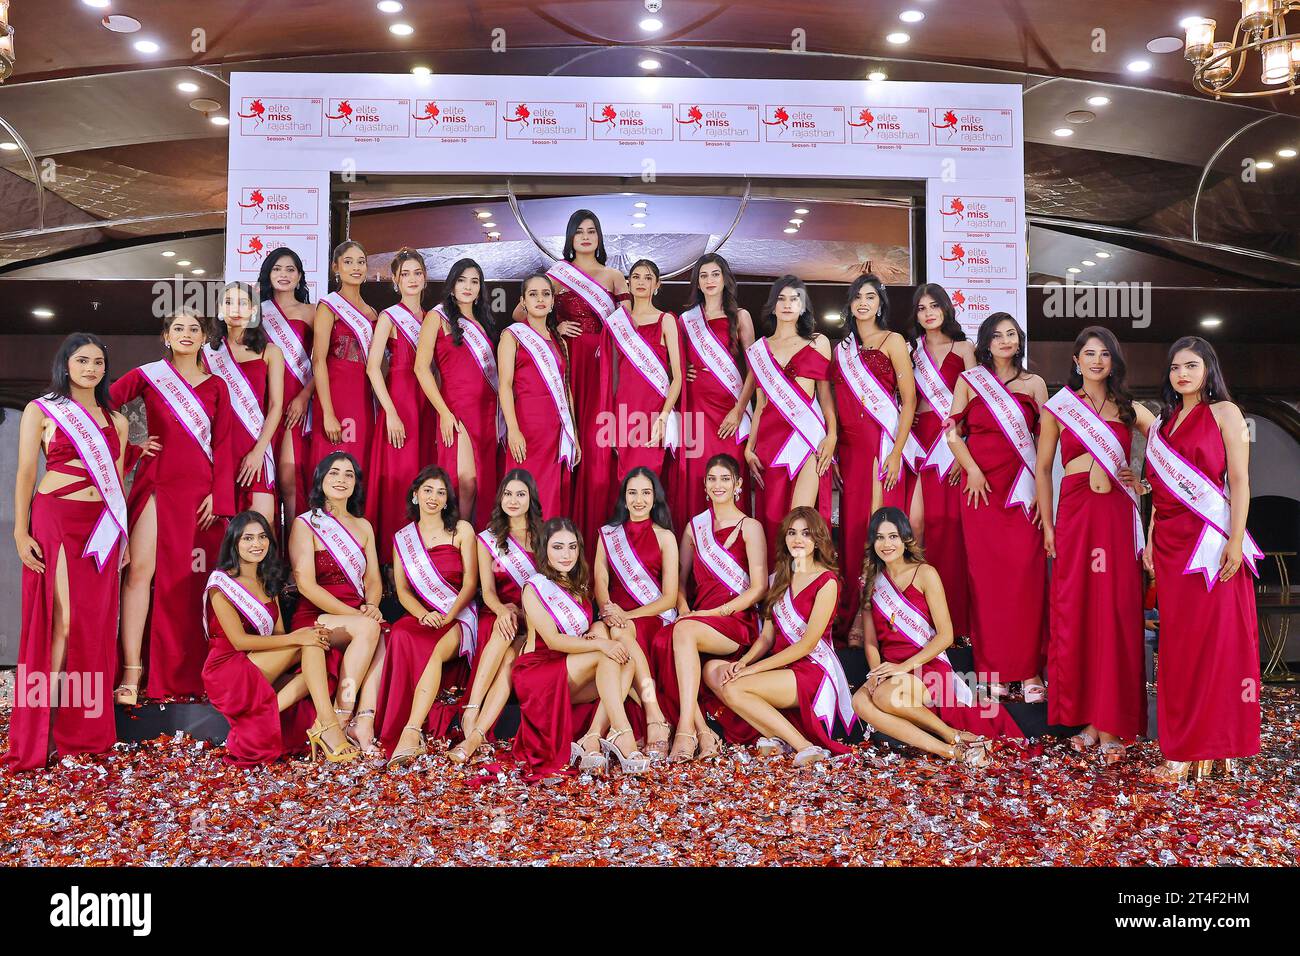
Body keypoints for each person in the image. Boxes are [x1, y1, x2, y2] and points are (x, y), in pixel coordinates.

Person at [7, 334, 130, 770]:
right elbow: (25, 473)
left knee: (94, 626)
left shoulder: (116, 420)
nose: (91, 368)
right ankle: (45, 726)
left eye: (99, 362)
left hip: (101, 529)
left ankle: (82, 732)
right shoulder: (40, 410)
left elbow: (116, 482)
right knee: (61, 621)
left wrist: (125, 538)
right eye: (82, 360)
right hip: (56, 521)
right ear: (65, 364)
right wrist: (21, 532)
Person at [1144, 337, 1262, 783]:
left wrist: (1235, 539)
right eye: (1175, 367)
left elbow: (1241, 481)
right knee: (1179, 648)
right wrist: (1152, 538)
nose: (1182, 374)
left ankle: (1215, 742)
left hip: (1211, 547)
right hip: (1173, 548)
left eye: (1191, 365)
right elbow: (1159, 492)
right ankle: (1181, 744)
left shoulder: (1225, 413)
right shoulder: (1163, 423)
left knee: (1218, 646)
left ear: (1208, 369)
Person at [1036, 326, 1154, 764]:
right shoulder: (1059, 408)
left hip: (1116, 520)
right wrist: (1047, 526)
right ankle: (1088, 718)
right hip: (1075, 517)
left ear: (1113, 360)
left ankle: (1110, 724)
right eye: (1089, 353)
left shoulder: (1128, 409)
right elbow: (1044, 467)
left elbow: (1167, 444)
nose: (1097, 360)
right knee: (1079, 613)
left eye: (1105, 353)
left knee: (1115, 616)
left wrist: (1142, 482)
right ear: (1076, 360)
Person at [111, 311, 236, 702]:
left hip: (201, 496)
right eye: (178, 328)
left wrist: (220, 494)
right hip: (158, 484)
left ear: (203, 339)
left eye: (194, 329)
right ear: (166, 336)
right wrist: (132, 447)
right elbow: (101, 406)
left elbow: (225, 444)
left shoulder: (216, 386)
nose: (186, 334)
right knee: (141, 572)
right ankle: (132, 672)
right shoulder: (149, 376)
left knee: (191, 582)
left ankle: (195, 671)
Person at [851, 507, 1023, 769]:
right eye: (880, 537)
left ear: (905, 538)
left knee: (885, 698)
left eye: (893, 536)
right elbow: (871, 641)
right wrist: (876, 672)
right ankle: (949, 751)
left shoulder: (925, 574)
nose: (887, 544)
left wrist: (902, 668)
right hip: (892, 670)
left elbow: (945, 636)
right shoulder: (871, 582)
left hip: (926, 666)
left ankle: (949, 734)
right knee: (859, 701)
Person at [945, 312, 1048, 700]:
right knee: (986, 582)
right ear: (985, 342)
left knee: (1026, 579)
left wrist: (1043, 487)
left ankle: (1030, 672)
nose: (1006, 340)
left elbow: (1045, 443)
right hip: (980, 492)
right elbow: (951, 432)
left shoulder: (1035, 383)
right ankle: (993, 673)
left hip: (1023, 492)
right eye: (998, 335)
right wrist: (970, 468)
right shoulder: (969, 381)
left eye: (1012, 334)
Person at [705, 507, 855, 767]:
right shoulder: (779, 578)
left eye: (806, 534)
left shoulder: (827, 581)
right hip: (782, 664)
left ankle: (804, 747)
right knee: (714, 670)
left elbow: (807, 644)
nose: (798, 539)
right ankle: (777, 736)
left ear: (818, 538)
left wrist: (752, 671)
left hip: (812, 668)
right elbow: (766, 638)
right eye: (792, 533)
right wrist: (744, 663)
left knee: (734, 686)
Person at [202, 512, 354, 765]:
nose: (256, 544)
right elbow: (240, 642)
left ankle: (266, 718)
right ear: (234, 543)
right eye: (247, 538)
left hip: (260, 662)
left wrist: (305, 636)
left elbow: (280, 635)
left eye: (262, 537)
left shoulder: (266, 579)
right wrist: (300, 637)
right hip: (228, 670)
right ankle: (329, 725)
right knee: (308, 641)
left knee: (318, 651)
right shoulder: (221, 584)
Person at [511, 517, 649, 781]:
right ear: (545, 549)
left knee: (626, 661)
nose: (566, 554)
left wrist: (603, 630)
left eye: (572, 547)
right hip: (538, 671)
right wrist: (601, 643)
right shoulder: (534, 587)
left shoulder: (578, 584)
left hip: (568, 666)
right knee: (606, 655)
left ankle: (593, 735)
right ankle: (623, 733)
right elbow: (552, 641)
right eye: (558, 547)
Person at [523, 209, 630, 547]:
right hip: (567, 367)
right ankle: (560, 535)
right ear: (570, 237)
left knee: (598, 448)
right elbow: (520, 313)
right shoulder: (556, 276)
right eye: (579, 231)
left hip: (602, 368)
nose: (585, 236)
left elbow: (632, 326)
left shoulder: (614, 276)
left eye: (592, 231)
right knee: (568, 442)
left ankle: (599, 536)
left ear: (599, 237)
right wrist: (554, 326)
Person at [651, 454, 767, 762]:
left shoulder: (750, 527)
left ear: (738, 484)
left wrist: (715, 614)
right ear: (704, 485)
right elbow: (677, 582)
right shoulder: (694, 528)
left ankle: (685, 730)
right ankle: (702, 730)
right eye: (712, 479)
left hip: (734, 621)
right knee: (663, 639)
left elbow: (758, 588)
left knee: (682, 632)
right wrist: (685, 607)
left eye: (725, 479)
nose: (718, 485)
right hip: (698, 619)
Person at [832, 274, 921, 643]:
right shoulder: (842, 348)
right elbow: (834, 403)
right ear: (851, 305)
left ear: (881, 304)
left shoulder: (893, 340)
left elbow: (909, 400)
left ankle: (879, 618)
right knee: (853, 532)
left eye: (871, 297)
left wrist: (898, 452)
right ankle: (856, 610)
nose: (864, 303)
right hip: (850, 450)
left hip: (882, 444)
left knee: (879, 528)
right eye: (857, 297)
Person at [377, 466, 479, 769]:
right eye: (428, 490)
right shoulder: (402, 538)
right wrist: (424, 615)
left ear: (447, 500)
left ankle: (411, 731)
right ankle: (395, 721)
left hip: (459, 614)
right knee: (400, 633)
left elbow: (471, 582)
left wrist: (448, 614)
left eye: (441, 492)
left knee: (434, 651)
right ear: (415, 495)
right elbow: (403, 590)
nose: (434, 497)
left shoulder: (462, 530)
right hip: (425, 615)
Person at [288, 452, 387, 755]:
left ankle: (364, 721)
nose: (341, 480)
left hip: (357, 614)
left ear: (356, 483)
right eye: (334, 473)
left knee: (384, 634)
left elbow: (372, 579)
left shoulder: (364, 526)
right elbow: (305, 584)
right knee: (371, 630)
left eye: (348, 474)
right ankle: (340, 717)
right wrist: (357, 615)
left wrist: (371, 604)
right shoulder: (305, 524)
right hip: (317, 614)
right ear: (321, 479)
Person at [737, 276, 837, 561]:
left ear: (804, 307)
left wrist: (832, 436)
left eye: (795, 299)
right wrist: (749, 446)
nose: (788, 304)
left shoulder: (819, 342)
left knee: (800, 521)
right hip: (770, 441)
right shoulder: (759, 349)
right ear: (772, 305)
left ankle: (800, 592)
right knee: (771, 515)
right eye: (781, 298)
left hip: (807, 441)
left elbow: (825, 397)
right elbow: (760, 405)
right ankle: (775, 590)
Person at [452, 469, 543, 764]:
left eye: (520, 494)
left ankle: (473, 722)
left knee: (507, 652)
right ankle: (473, 714)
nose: (513, 500)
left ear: (531, 498)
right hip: (500, 612)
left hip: (536, 618)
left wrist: (526, 613)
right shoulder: (487, 539)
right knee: (501, 631)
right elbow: (487, 591)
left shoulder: (546, 536)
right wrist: (504, 609)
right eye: (508, 494)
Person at [592, 467, 678, 759]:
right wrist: (607, 610)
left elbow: (668, 598)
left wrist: (628, 616)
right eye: (632, 493)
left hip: (651, 616)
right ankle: (651, 713)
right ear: (624, 498)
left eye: (645, 492)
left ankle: (639, 717)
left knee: (620, 635)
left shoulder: (666, 537)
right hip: (615, 616)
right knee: (616, 635)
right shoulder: (608, 534)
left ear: (655, 498)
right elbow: (600, 579)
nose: (639, 499)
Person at [904, 285, 974, 638]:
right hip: (920, 441)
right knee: (915, 525)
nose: (928, 312)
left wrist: (966, 450)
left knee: (950, 527)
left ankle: (956, 621)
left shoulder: (964, 349)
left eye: (934, 306)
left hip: (952, 442)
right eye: (921, 308)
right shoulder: (910, 351)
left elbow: (976, 403)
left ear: (946, 309)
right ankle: (916, 614)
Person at [416, 257, 501, 528]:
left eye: (474, 281)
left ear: (480, 289)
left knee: (485, 481)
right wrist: (443, 411)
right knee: (465, 481)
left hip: (487, 410)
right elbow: (421, 368)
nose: (468, 286)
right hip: (455, 408)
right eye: (462, 280)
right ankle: (458, 540)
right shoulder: (436, 317)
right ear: (452, 285)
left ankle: (477, 543)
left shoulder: (485, 322)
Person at [675, 254, 757, 530]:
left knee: (730, 479)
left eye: (715, 274)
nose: (709, 280)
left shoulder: (741, 316)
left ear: (725, 279)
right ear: (697, 282)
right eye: (704, 275)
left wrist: (737, 410)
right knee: (700, 477)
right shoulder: (686, 320)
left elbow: (754, 370)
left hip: (730, 411)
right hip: (697, 409)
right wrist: (683, 372)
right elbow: (674, 362)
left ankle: (733, 554)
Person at [366, 248, 433, 563]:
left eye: (416, 272)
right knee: (401, 481)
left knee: (426, 477)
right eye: (404, 274)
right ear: (395, 280)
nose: (412, 279)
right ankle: (394, 562)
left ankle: (426, 555)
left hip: (428, 403)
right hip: (401, 403)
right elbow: (372, 367)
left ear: (425, 277)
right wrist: (390, 413)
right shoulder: (389, 317)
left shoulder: (433, 317)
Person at [499, 271, 579, 519]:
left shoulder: (559, 341)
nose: (540, 299)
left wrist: (574, 433)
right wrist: (513, 429)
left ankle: (547, 552)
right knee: (521, 490)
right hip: (525, 426)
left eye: (546, 294)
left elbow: (566, 391)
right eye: (533, 294)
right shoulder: (512, 335)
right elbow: (505, 385)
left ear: (553, 301)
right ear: (523, 301)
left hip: (555, 430)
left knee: (550, 493)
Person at [205, 281, 284, 523]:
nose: (235, 309)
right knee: (222, 527)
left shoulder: (270, 351)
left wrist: (258, 451)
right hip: (218, 448)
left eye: (242, 303)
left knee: (262, 523)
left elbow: (276, 406)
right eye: (228, 302)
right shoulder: (206, 353)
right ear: (219, 309)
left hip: (254, 445)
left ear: (253, 310)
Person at [603, 258, 683, 484]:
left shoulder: (666, 320)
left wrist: (664, 417)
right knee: (626, 480)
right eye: (636, 277)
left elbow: (677, 377)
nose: (641, 282)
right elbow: (613, 376)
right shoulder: (618, 323)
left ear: (657, 285)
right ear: (628, 284)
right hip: (624, 410)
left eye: (648, 278)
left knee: (649, 479)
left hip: (654, 412)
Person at [257, 248, 316, 531]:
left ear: (300, 276)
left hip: (297, 402)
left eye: (290, 269)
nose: (284, 274)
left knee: (291, 477)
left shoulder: (312, 312)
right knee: (265, 480)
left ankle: (296, 553)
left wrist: (305, 396)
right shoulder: (256, 313)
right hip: (261, 403)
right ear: (269, 274)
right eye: (277, 268)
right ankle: (267, 560)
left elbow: (324, 361)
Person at [310, 240, 378, 469]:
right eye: (348, 262)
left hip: (363, 396)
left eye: (361, 262)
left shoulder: (372, 312)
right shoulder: (329, 306)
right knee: (333, 464)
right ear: (335, 267)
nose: (356, 267)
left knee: (359, 463)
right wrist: (328, 413)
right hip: (335, 394)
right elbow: (318, 360)